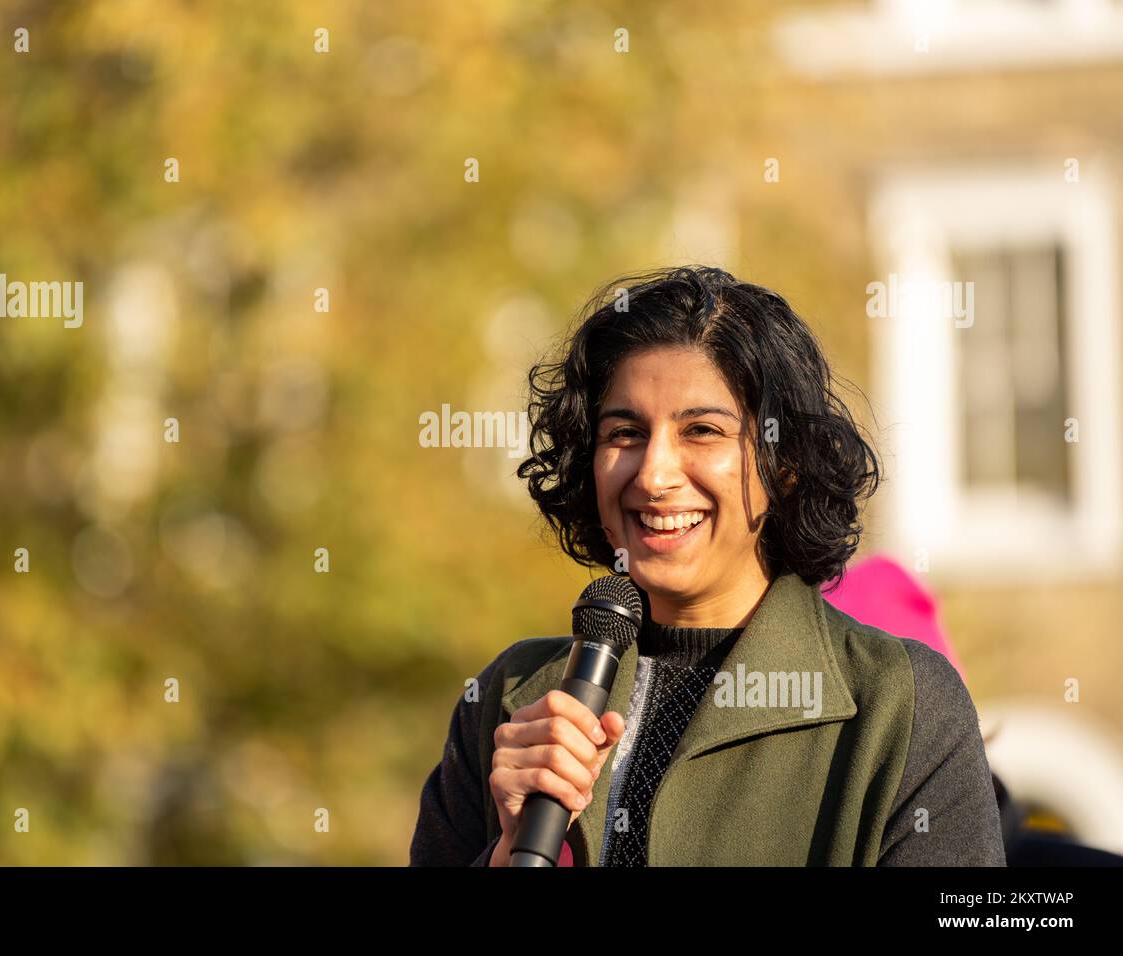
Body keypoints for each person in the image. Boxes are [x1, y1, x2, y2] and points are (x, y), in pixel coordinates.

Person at [408, 265, 1006, 866]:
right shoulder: (507, 698)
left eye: (701, 430)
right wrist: (504, 855)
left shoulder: (898, 705)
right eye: (625, 433)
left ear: (785, 462)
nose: (653, 474)